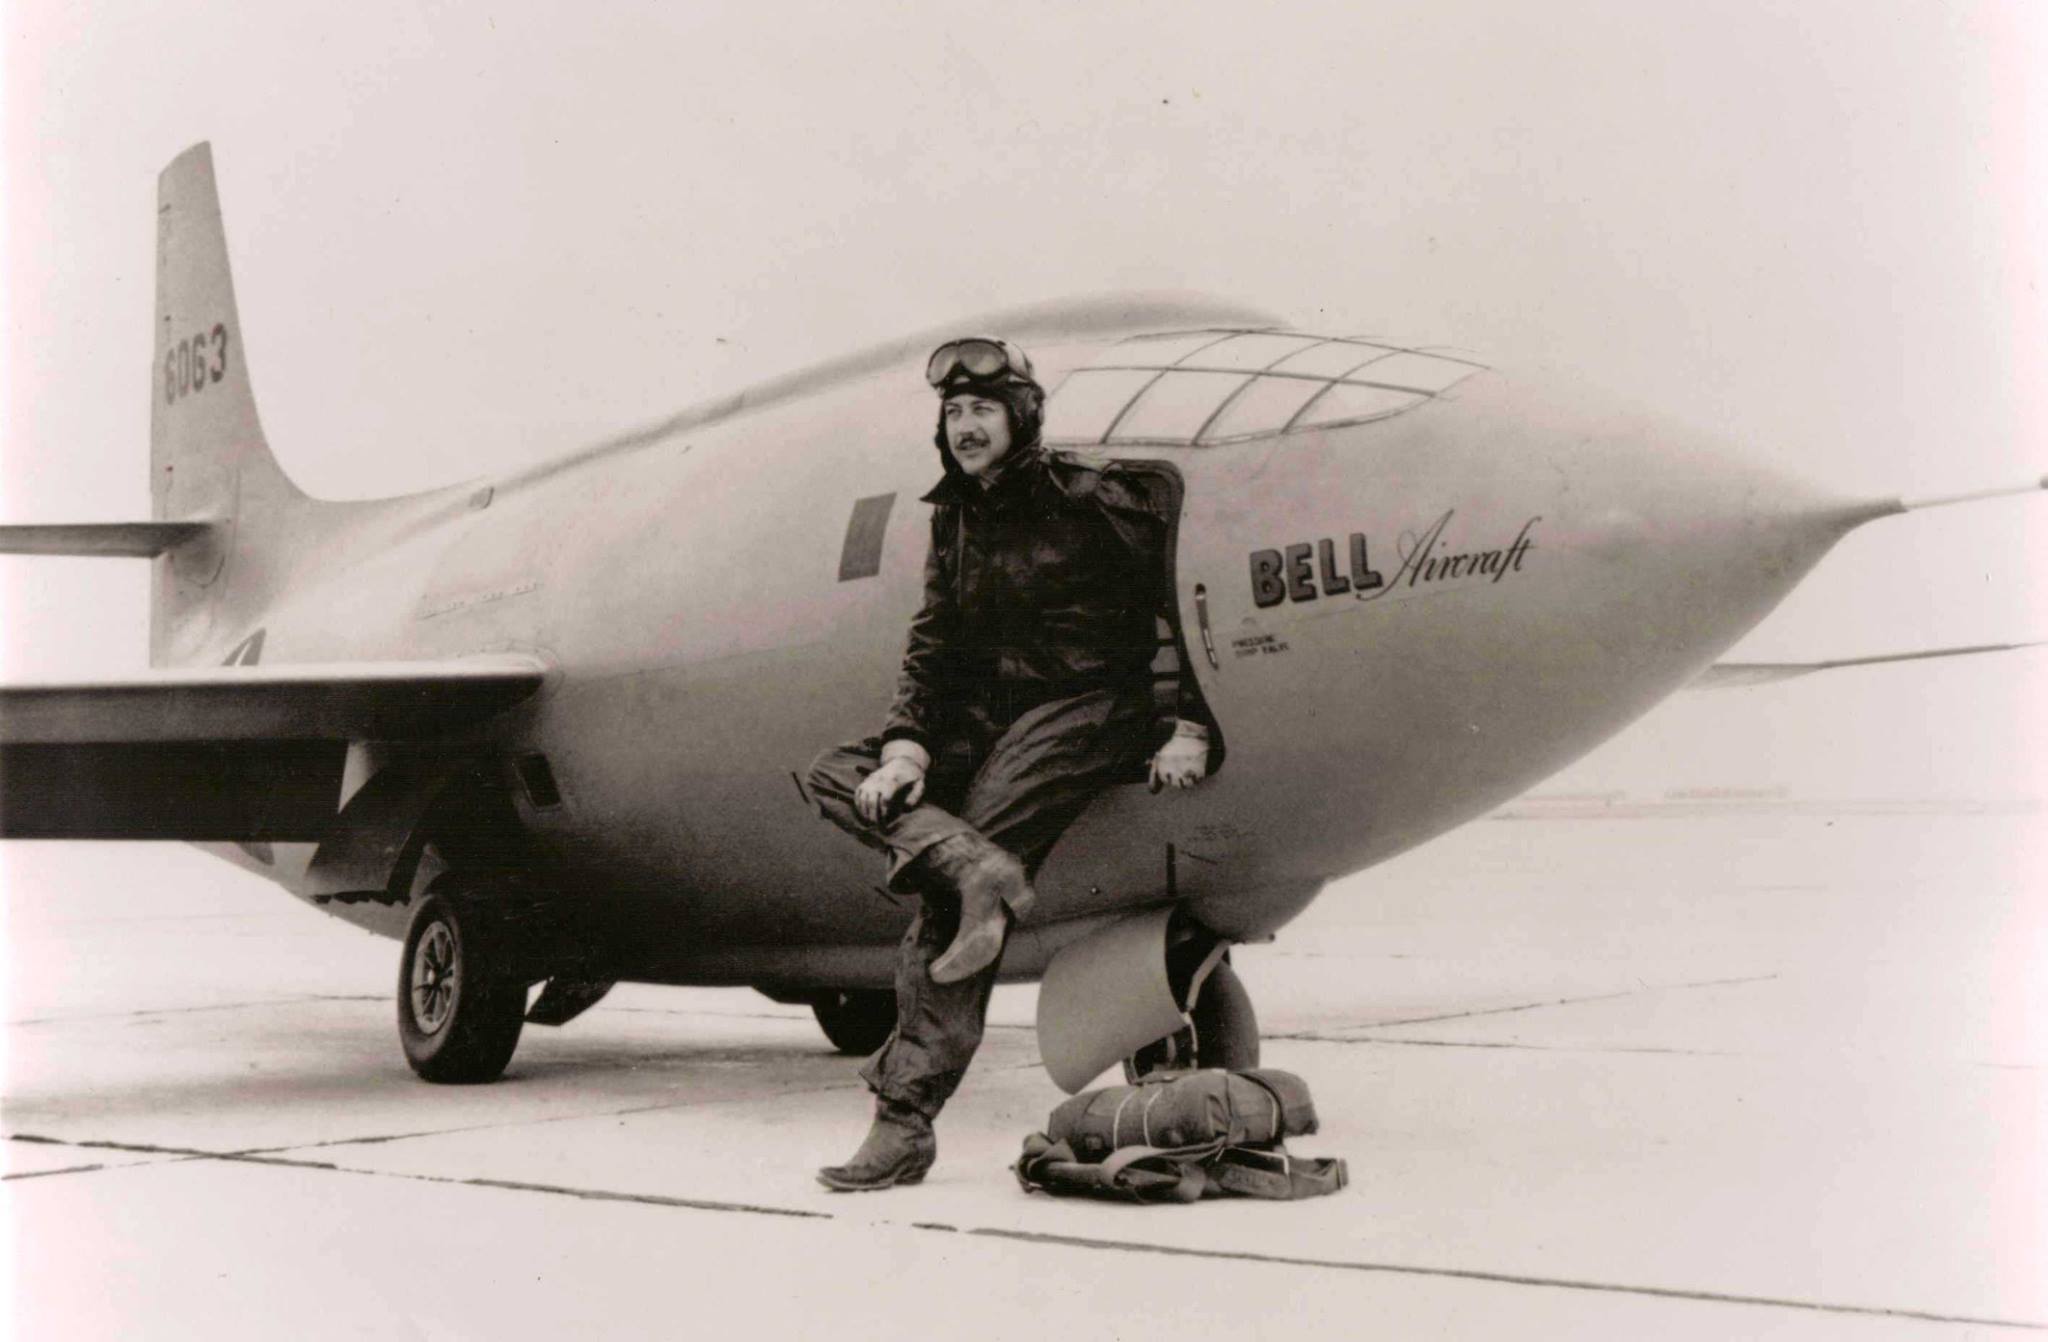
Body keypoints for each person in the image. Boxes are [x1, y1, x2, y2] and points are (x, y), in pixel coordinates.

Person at [804, 336, 1215, 1192]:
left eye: (983, 410)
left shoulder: (1093, 497)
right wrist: (906, 750)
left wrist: (1189, 724)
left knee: (948, 912)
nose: (965, 426)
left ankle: (904, 1122)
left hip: (1085, 708)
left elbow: (1175, 601)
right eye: (953, 412)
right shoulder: (955, 513)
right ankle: (971, 866)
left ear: (1021, 417)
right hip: (988, 718)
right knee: (835, 771)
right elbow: (933, 644)